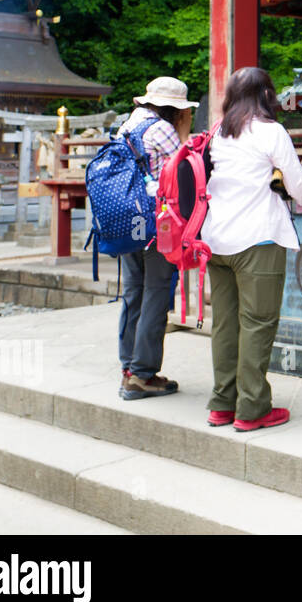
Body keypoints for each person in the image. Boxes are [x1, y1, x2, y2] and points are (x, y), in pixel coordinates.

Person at [201, 66, 302, 431]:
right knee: (257, 323)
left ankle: (222, 404)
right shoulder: (272, 132)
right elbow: (297, 181)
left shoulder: (220, 133)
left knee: (225, 323)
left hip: (217, 239)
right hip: (257, 239)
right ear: (267, 96)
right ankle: (252, 409)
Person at [117, 76, 196, 400]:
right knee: (156, 291)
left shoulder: (125, 126)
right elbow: (186, 167)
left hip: (126, 220)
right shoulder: (162, 129)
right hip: (155, 223)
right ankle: (143, 374)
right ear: (173, 109)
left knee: (134, 290)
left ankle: (129, 367)